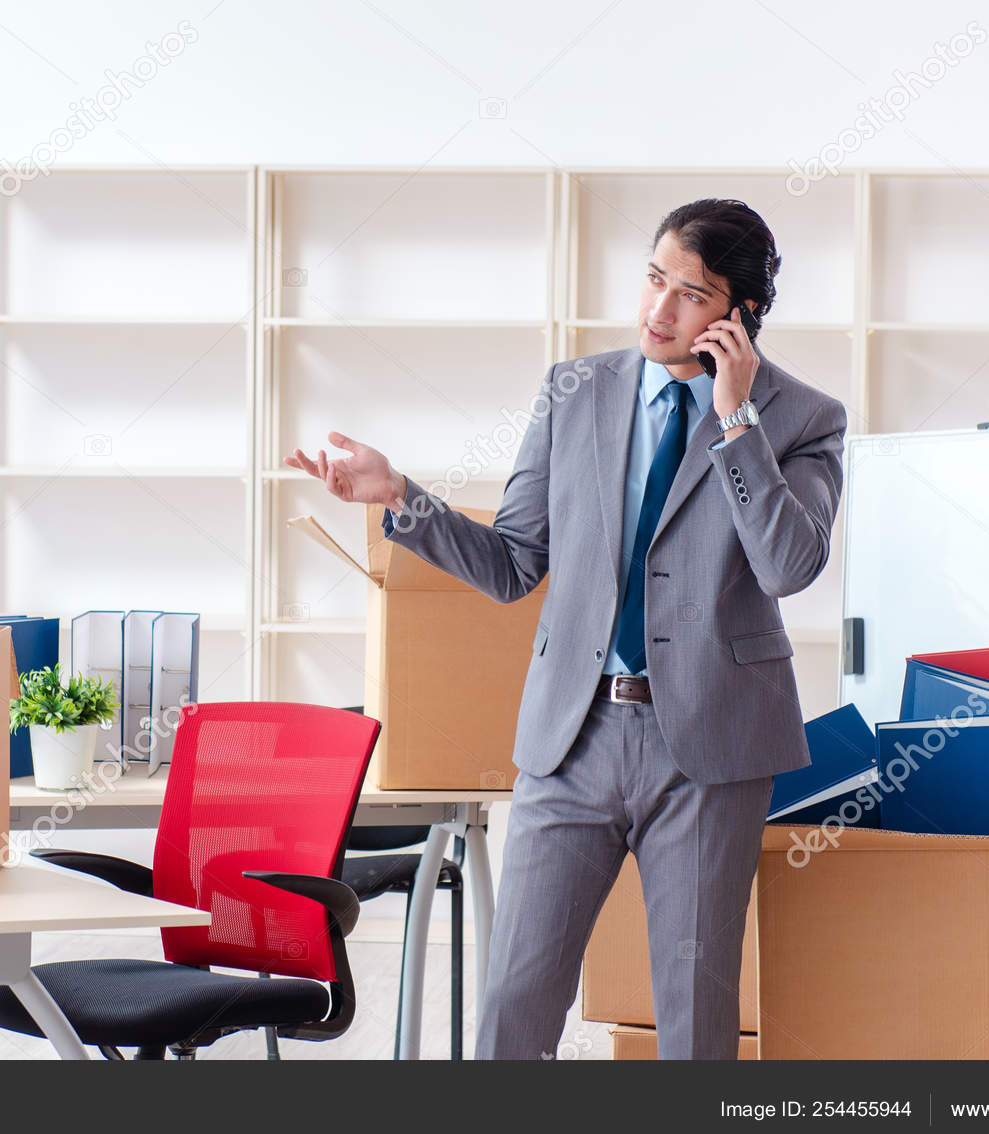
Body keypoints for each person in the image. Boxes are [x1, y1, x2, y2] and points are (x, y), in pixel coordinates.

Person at [285, 198, 847, 1060]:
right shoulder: (575, 389)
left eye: (691, 295)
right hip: (572, 737)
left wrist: (735, 419)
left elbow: (788, 566)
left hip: (711, 748)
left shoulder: (804, 418)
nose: (660, 311)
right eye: (656, 279)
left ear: (740, 316)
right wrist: (401, 495)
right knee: (515, 1002)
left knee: (696, 1014)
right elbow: (514, 563)